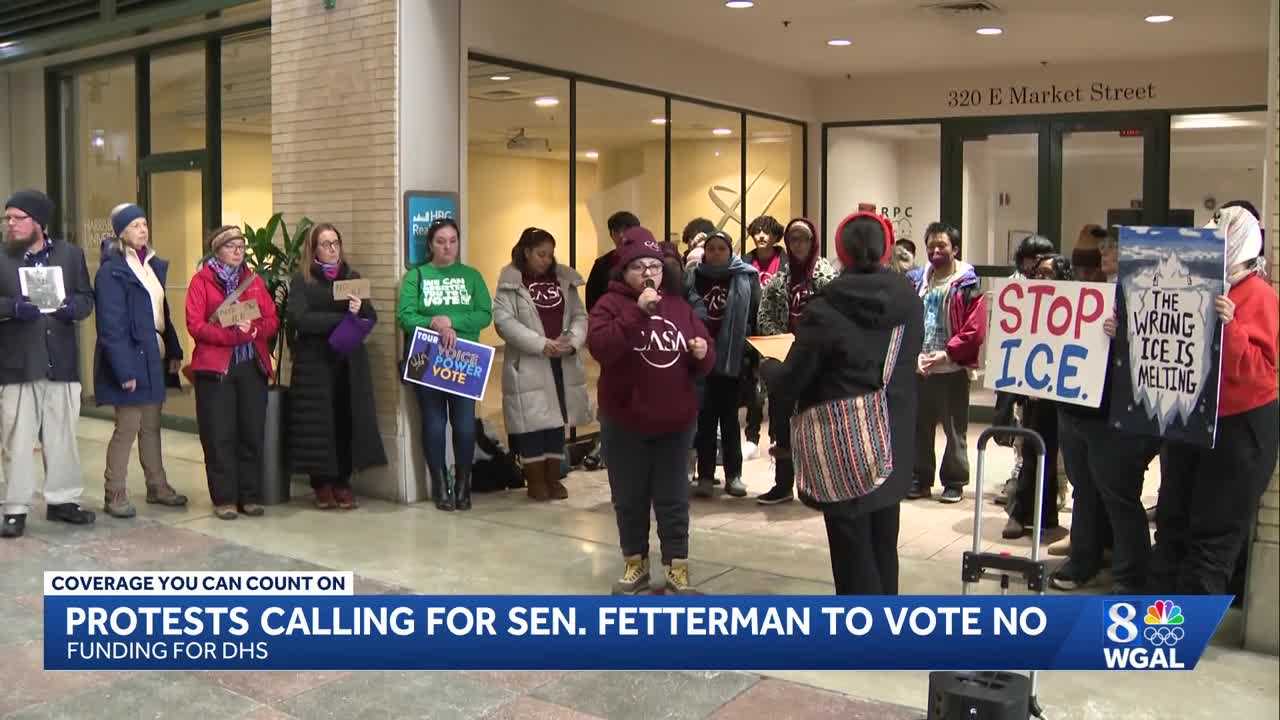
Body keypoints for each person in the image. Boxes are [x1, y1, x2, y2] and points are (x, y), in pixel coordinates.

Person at [760, 212, 923, 594]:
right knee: (884, 542)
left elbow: (792, 381)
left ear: (840, 252)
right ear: (885, 250)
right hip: (893, 435)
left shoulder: (825, 307)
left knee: (851, 549)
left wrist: (767, 366)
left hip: (843, 440)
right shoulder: (909, 299)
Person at [1149, 206, 1278, 595]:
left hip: (1240, 426)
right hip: (1191, 418)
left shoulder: (1259, 294)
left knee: (1214, 533)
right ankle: (1159, 618)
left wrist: (1232, 326)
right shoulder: (1195, 285)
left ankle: (1181, 631)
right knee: (1172, 521)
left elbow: (1260, 372)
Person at [589, 227, 714, 595]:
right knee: (629, 498)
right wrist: (637, 314)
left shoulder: (679, 306)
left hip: (674, 422)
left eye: (655, 267)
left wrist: (703, 353)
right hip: (625, 420)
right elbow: (602, 347)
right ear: (624, 272)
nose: (648, 274)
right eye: (639, 267)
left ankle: (676, 566)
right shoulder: (609, 306)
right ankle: (635, 562)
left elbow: (704, 351)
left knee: (673, 498)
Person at [0, 190, 97, 538]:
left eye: (17, 218)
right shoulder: (1, 257)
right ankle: (15, 508)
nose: (10, 224)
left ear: (38, 222)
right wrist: (12, 309)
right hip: (18, 363)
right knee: (17, 438)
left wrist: (75, 307)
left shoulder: (70, 255)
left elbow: (87, 298)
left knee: (63, 437)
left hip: (62, 362)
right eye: (7, 218)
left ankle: (63, 502)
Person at [93, 203, 188, 518]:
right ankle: (114, 491)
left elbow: (162, 314)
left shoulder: (151, 267)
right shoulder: (112, 271)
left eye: (144, 223)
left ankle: (157, 485)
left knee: (151, 424)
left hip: (153, 354)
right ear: (121, 232)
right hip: (130, 357)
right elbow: (110, 327)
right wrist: (123, 370)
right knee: (128, 426)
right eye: (134, 225)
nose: (142, 229)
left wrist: (173, 350)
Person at [285, 223, 387, 511]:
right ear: (313, 249)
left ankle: (343, 480)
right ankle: (322, 483)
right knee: (318, 423)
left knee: (345, 419)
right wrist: (339, 320)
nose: (332, 249)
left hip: (347, 363)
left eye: (335, 243)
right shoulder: (302, 280)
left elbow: (370, 316)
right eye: (325, 244)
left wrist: (357, 312)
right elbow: (300, 319)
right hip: (314, 364)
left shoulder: (351, 278)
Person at [397, 218, 493, 512]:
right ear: (430, 245)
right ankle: (440, 485)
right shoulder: (417, 276)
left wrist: (453, 322)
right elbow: (405, 316)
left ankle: (463, 486)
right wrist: (433, 323)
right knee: (434, 423)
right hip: (427, 357)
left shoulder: (472, 276)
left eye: (452, 240)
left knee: (464, 425)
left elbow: (484, 314)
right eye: (441, 241)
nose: (447, 247)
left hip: (464, 360)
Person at [493, 227, 593, 501]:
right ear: (526, 252)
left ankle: (553, 478)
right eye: (540, 254)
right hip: (529, 363)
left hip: (561, 361)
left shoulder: (563, 281)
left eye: (550, 255)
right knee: (532, 423)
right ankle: (535, 480)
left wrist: (572, 340)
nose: (546, 260)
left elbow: (580, 315)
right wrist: (540, 343)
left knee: (556, 421)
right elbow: (504, 322)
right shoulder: (510, 283)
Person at [187, 225, 278, 521]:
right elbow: (196, 325)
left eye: (241, 246)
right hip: (216, 369)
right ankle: (224, 498)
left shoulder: (253, 281)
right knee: (219, 435)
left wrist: (252, 330)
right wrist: (231, 336)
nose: (238, 251)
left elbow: (271, 319)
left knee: (251, 431)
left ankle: (249, 496)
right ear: (217, 250)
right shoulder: (201, 281)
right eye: (231, 246)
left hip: (251, 365)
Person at [755, 217, 837, 505]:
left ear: (813, 241)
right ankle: (783, 484)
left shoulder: (829, 279)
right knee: (782, 424)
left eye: (804, 239)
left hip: (820, 365)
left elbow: (839, 321)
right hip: (787, 362)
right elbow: (765, 318)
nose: (799, 244)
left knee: (817, 425)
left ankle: (817, 485)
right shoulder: (779, 281)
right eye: (793, 239)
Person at [906, 222, 986, 503]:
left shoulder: (968, 283)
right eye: (931, 246)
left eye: (942, 245)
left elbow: (974, 329)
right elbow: (906, 320)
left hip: (951, 367)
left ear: (955, 249)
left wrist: (948, 354)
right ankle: (920, 478)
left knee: (955, 430)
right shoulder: (916, 280)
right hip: (920, 368)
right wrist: (913, 355)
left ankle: (954, 482)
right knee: (919, 427)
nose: (936, 250)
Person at [1002, 251, 1071, 540]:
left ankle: (1045, 514)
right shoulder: (1027, 306)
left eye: (1048, 273)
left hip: (1064, 397)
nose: (1041, 278)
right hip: (1034, 394)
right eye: (1038, 273)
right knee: (1030, 452)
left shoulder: (1073, 306)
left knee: (1054, 458)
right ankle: (1020, 513)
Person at [687, 231, 759, 499]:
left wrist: (750, 357)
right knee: (704, 421)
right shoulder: (693, 276)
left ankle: (734, 475)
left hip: (733, 358)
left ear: (731, 251)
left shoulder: (745, 276)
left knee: (729, 420)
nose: (716, 253)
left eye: (721, 248)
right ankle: (705, 476)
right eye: (712, 249)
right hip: (700, 358)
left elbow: (754, 314)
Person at [741, 216, 785, 458]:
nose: (761, 236)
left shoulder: (786, 262)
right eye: (757, 231)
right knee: (753, 389)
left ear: (776, 236)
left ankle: (778, 436)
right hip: (752, 331)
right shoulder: (745, 262)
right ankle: (751, 438)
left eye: (766, 232)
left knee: (778, 387)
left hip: (779, 332)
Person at [586, 211, 640, 312]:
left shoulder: (648, 261)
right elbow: (592, 301)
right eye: (616, 231)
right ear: (611, 234)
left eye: (625, 230)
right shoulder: (602, 264)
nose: (621, 235)